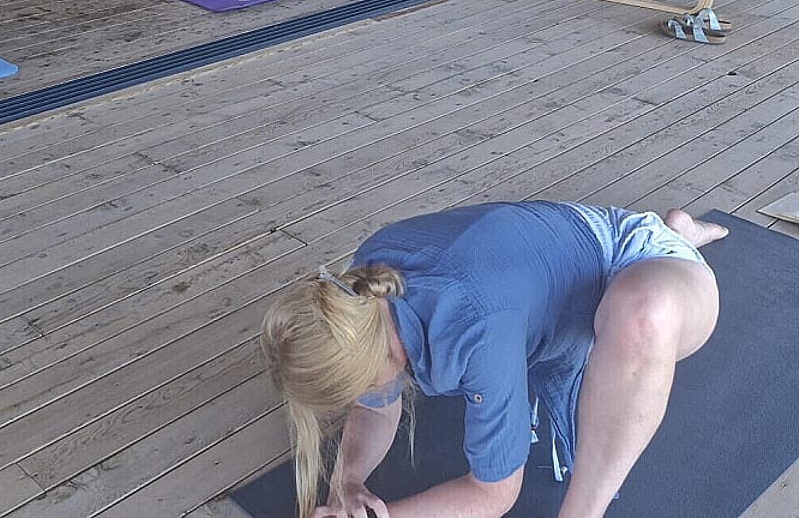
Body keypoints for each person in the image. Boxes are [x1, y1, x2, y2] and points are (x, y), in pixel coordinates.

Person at [259, 201, 727, 518]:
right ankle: (678, 227)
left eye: (353, 390)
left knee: (642, 317)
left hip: (629, 254)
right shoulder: (359, 294)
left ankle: (673, 239)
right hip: (552, 256)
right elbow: (374, 403)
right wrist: (349, 481)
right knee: (610, 309)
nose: (364, 398)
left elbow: (493, 494)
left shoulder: (476, 324)